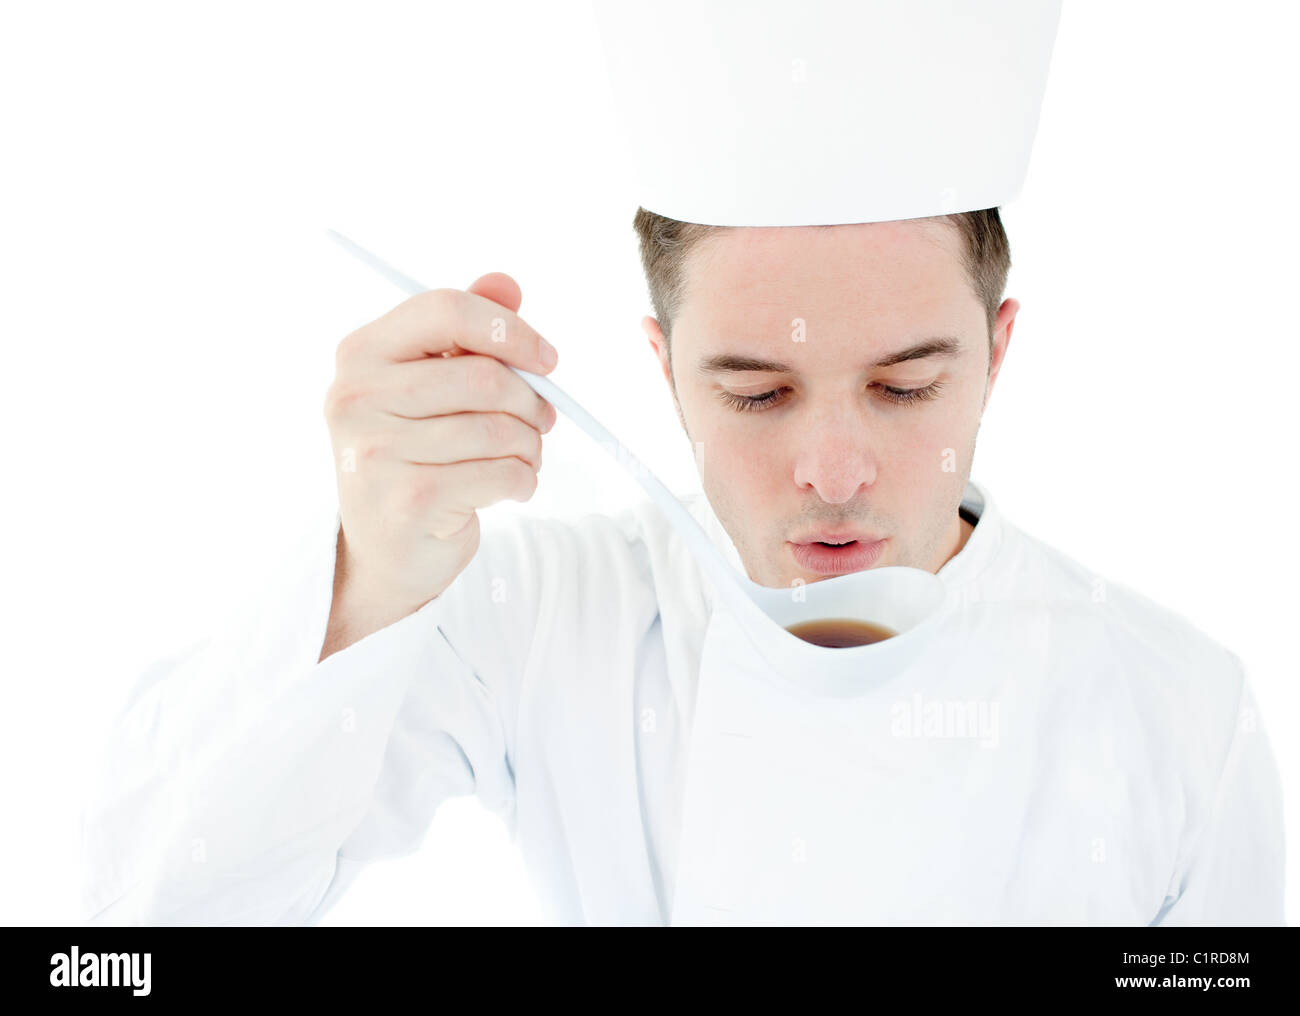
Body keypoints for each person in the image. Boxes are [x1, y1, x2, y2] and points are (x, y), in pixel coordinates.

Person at [78, 206, 1286, 925]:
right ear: (660, 368)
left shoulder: (1177, 712)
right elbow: (143, 924)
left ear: (997, 350)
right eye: (753, 391)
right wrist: (376, 568)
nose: (832, 469)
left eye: (906, 385)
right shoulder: (545, 621)